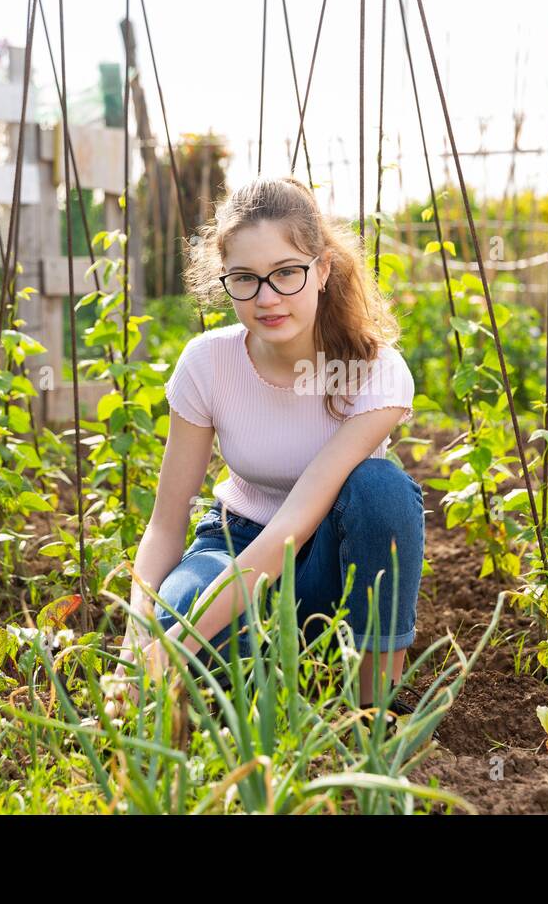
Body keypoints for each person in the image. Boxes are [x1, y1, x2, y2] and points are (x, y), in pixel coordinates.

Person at [109, 176, 423, 712]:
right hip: (233, 542)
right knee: (180, 623)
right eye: (245, 280)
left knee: (382, 490)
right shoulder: (208, 363)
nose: (267, 298)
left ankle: (370, 709)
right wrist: (138, 645)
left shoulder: (375, 371)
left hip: (330, 560)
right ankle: (274, 664)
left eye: (286, 274)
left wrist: (176, 649)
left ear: (322, 270)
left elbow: (290, 529)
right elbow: (166, 522)